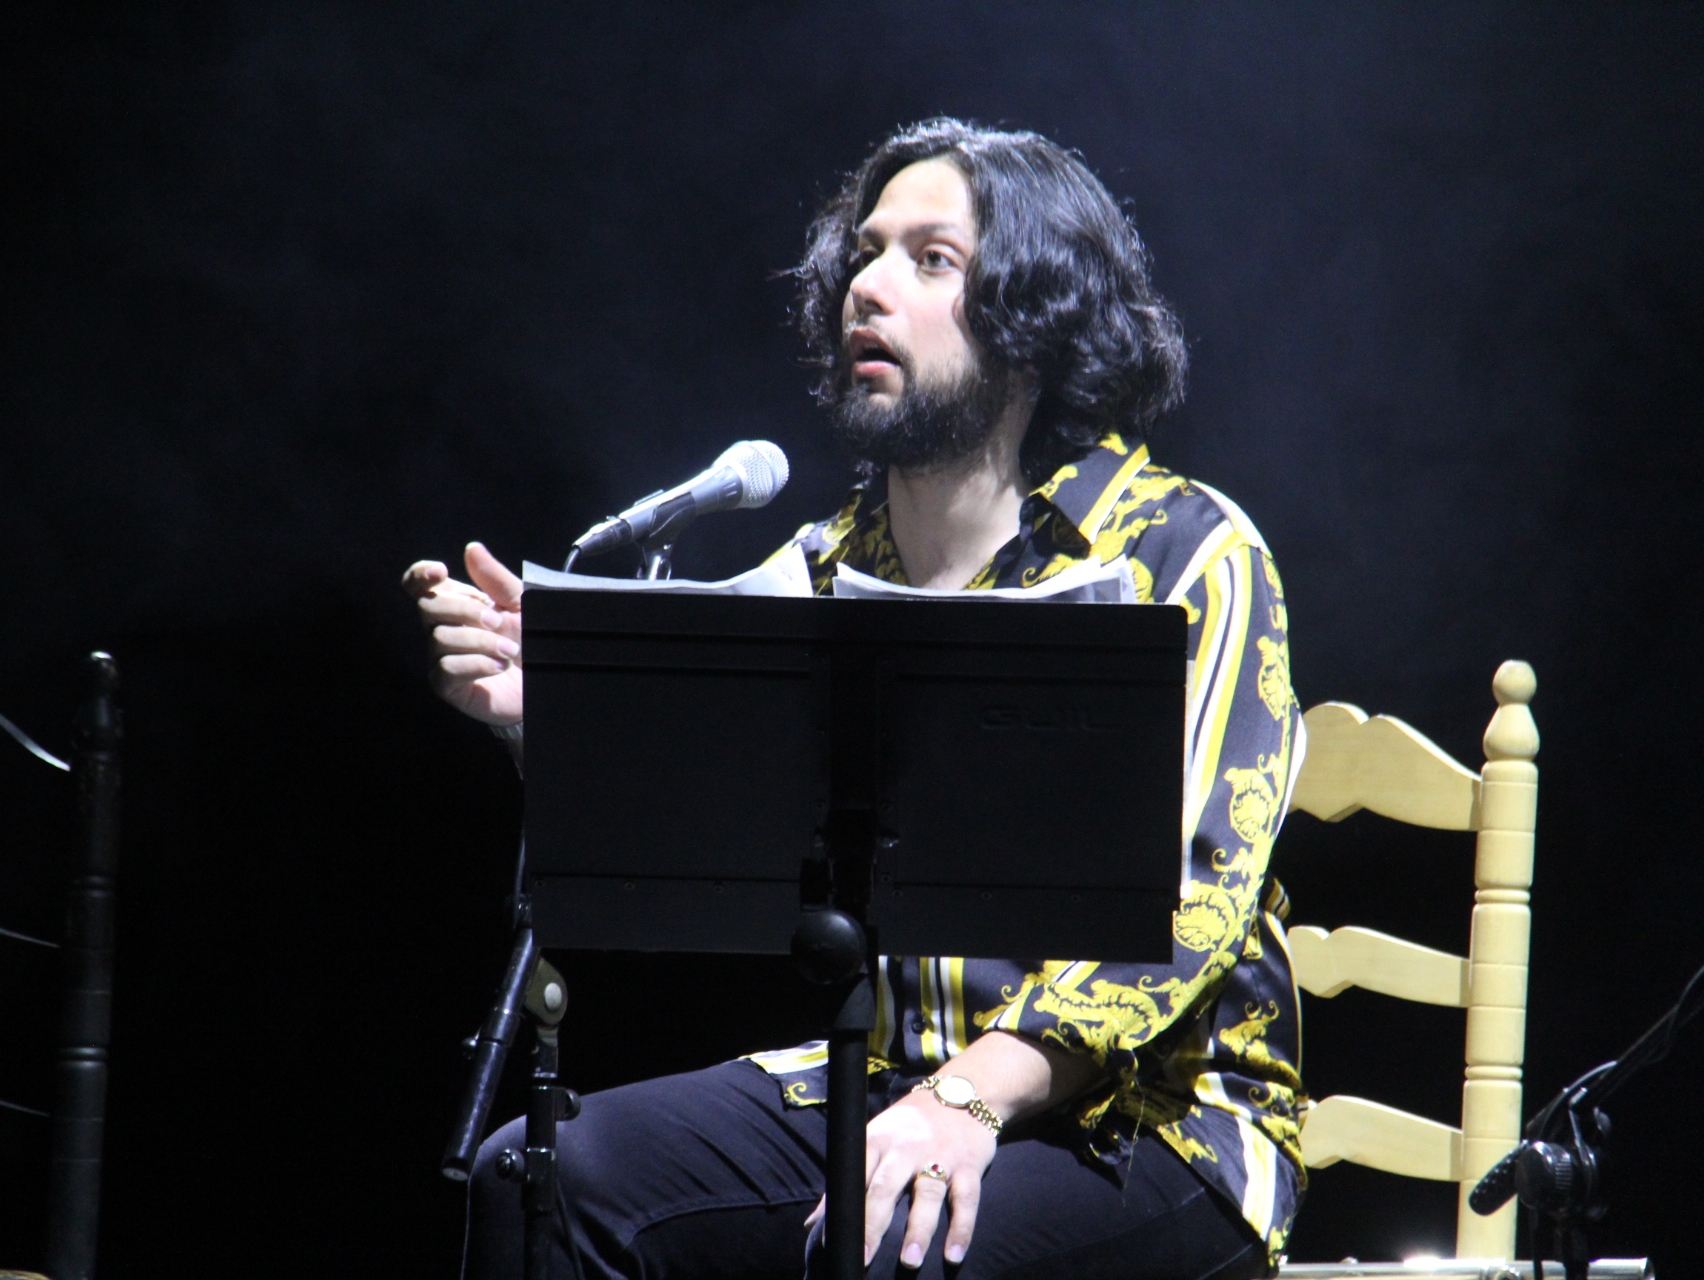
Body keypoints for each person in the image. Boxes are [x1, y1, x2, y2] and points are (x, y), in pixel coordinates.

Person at [406, 119, 1305, 1280]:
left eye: (931, 259)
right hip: (889, 1085)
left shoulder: (1188, 554)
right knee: (542, 1179)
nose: (868, 288)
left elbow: (1190, 906)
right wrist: (557, 720)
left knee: (893, 1249)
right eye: (865, 254)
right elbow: (701, 809)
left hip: (1161, 1127)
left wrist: (965, 1104)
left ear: (1032, 321)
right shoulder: (830, 562)